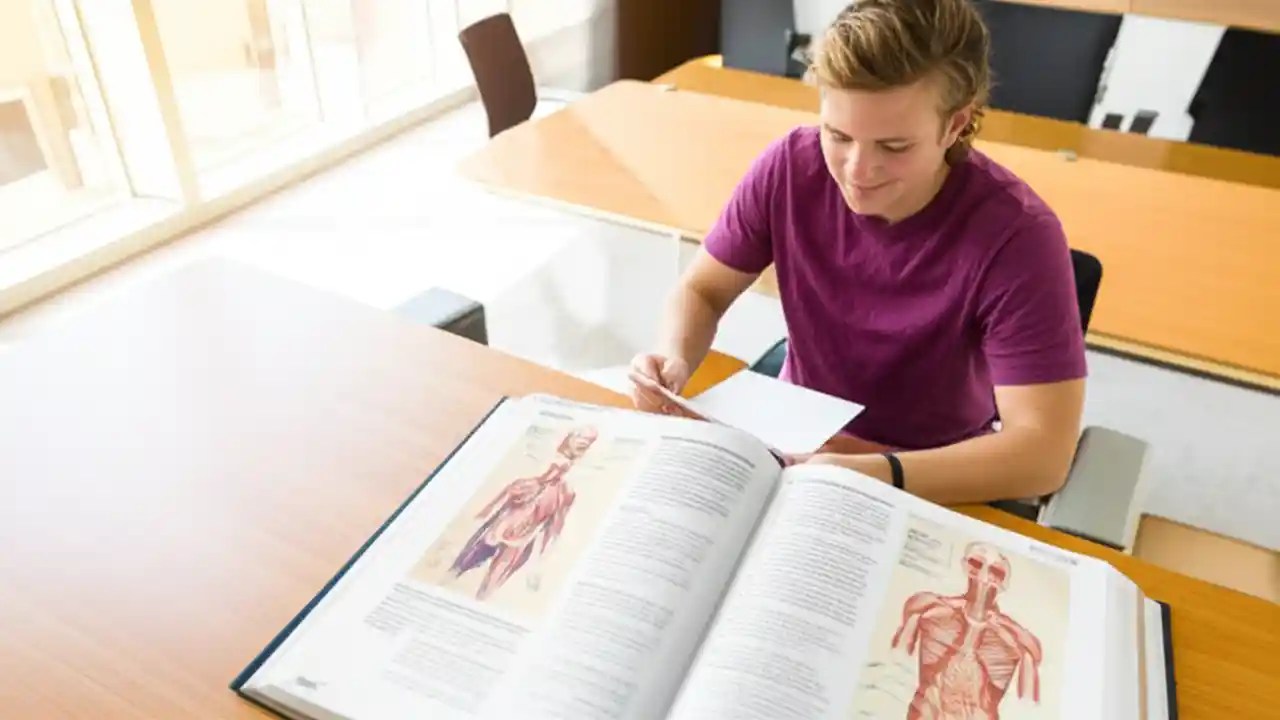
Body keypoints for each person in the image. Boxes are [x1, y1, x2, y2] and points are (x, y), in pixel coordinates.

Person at [629, 0, 1087, 505]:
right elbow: (703, 290)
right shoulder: (788, 168)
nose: (856, 170)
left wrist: (876, 473)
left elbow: (1043, 456)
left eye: (894, 147)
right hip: (796, 434)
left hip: (934, 473)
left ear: (956, 125)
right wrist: (673, 355)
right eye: (838, 135)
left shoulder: (1019, 237)